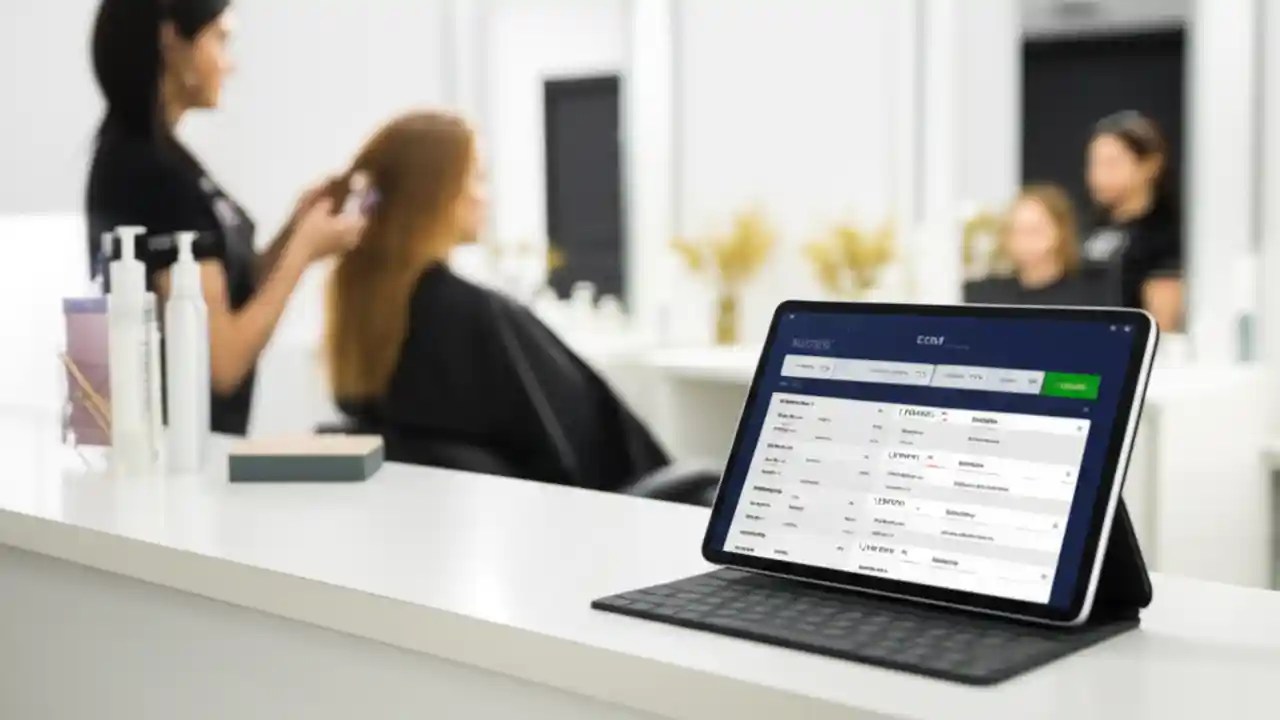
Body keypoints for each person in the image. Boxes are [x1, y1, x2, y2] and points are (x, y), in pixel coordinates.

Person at [325, 112, 670, 491]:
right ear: (434, 192)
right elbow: (588, 453)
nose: (483, 195)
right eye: (475, 177)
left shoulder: (362, 312)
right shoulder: (474, 314)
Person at [86, 0, 365, 434]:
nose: (230, 65)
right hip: (181, 456)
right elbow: (222, 364)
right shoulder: (151, 175)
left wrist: (296, 229)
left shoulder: (167, 163)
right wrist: (303, 253)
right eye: (221, 39)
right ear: (171, 41)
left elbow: (233, 286)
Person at [1082, 110, 1183, 329]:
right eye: (1094, 163)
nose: (1098, 175)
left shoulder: (1164, 235)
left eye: (1112, 163)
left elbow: (1162, 326)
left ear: (1150, 165)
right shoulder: (1092, 227)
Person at [965, 185, 1111, 306]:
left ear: (1060, 232)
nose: (1024, 241)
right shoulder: (985, 295)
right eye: (1016, 230)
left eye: (1034, 230)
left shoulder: (1090, 295)